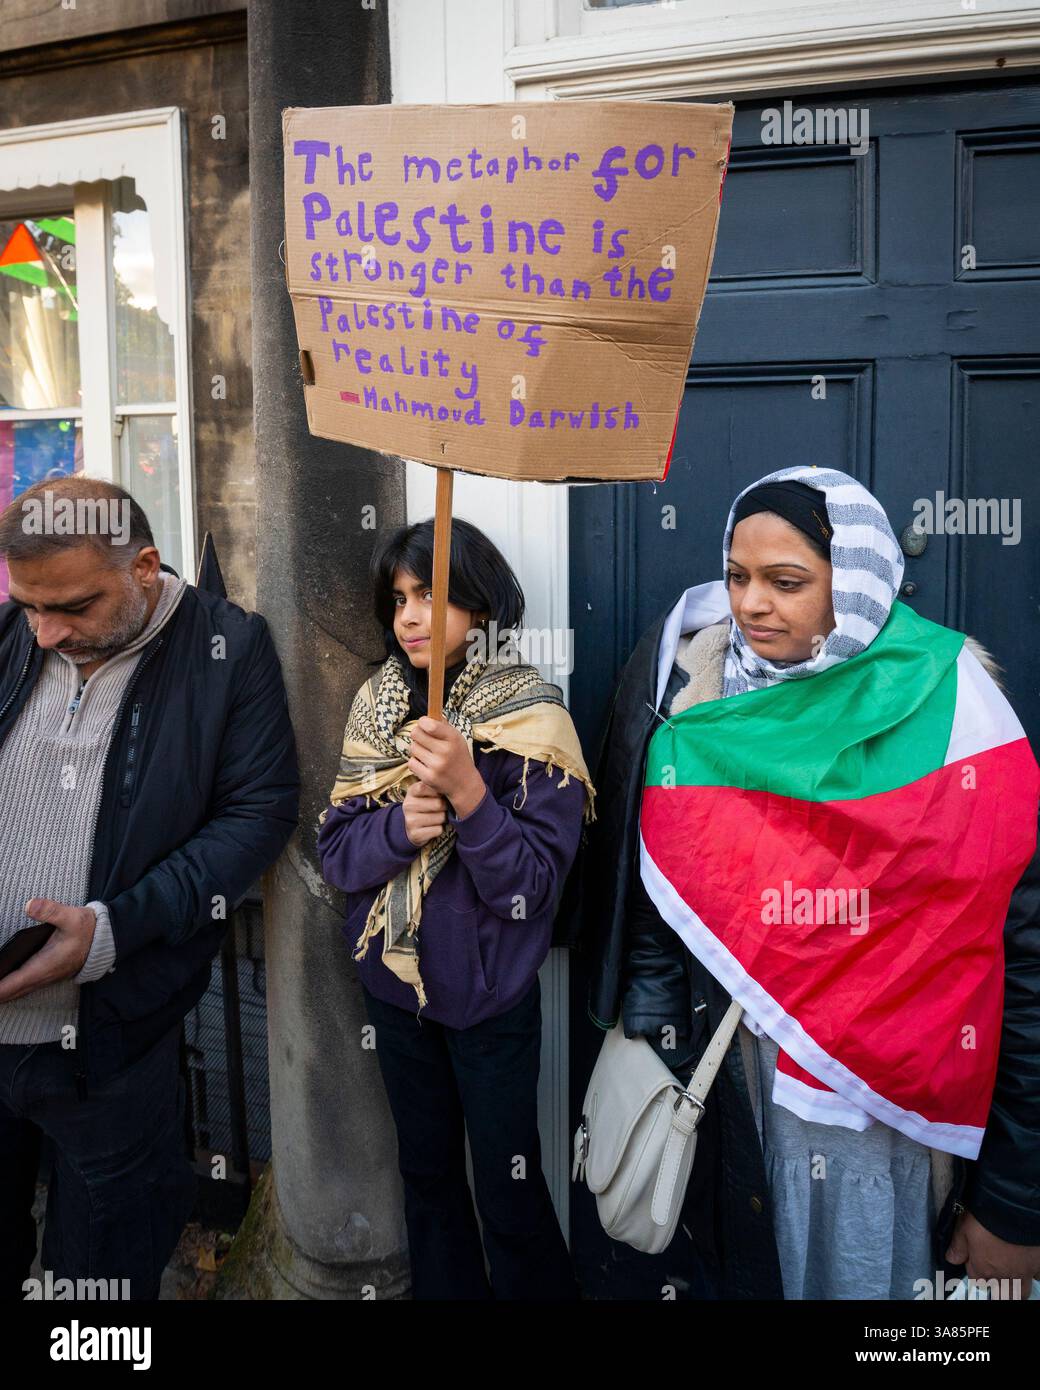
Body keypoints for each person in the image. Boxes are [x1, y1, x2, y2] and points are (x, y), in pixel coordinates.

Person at [581, 465, 1040, 1300]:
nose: (752, 603)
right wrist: (649, 1008)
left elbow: (1024, 958)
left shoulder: (956, 712)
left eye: (786, 582)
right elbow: (655, 880)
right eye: (737, 577)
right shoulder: (694, 698)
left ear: (856, 585)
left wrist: (1014, 1202)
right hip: (742, 1103)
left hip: (891, 1124)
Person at [0, 475, 299, 1301]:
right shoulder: (12, 634)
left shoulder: (227, 650)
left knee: (103, 1277)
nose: (47, 631)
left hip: (112, 1046)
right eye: (29, 606)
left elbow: (258, 815)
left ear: (143, 566)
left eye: (74, 608)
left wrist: (110, 931)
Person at [317, 517, 594, 1300]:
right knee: (428, 1180)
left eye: (431, 595)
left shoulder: (531, 720)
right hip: (396, 997)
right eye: (398, 598)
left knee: (508, 1194)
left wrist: (473, 794)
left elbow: (530, 890)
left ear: (481, 605)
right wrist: (395, 828)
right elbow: (336, 851)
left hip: (489, 1003)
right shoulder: (376, 707)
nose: (407, 616)